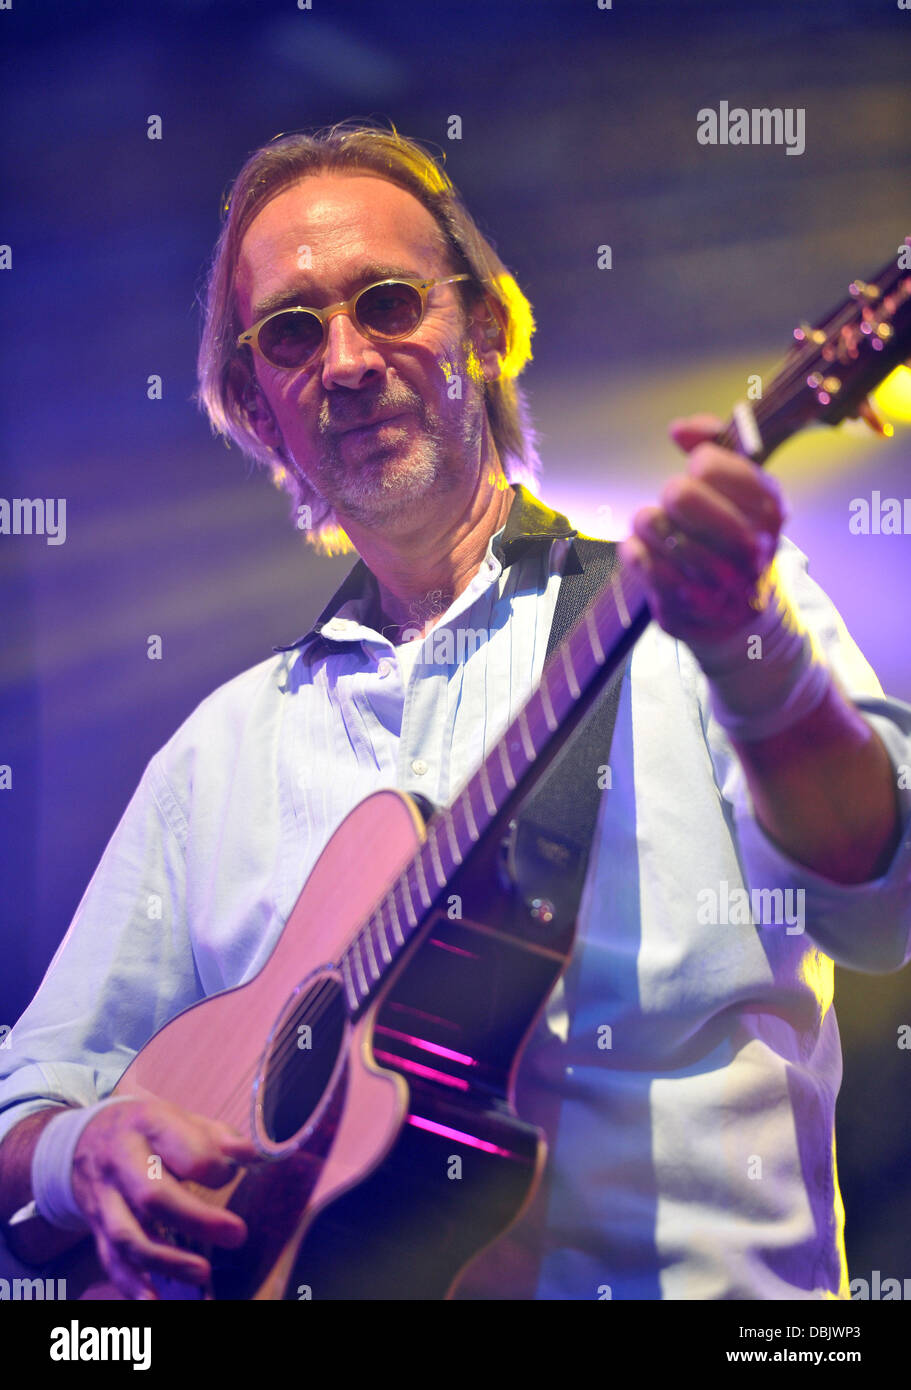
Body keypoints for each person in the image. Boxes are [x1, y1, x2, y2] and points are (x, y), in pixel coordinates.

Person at [1, 120, 909, 1302]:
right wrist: (83, 1160)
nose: (343, 359)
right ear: (255, 402)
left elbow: (878, 899)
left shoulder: (705, 615)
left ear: (479, 327)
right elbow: (28, 1102)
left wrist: (758, 659)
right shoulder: (215, 755)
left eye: (386, 302)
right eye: (290, 332)